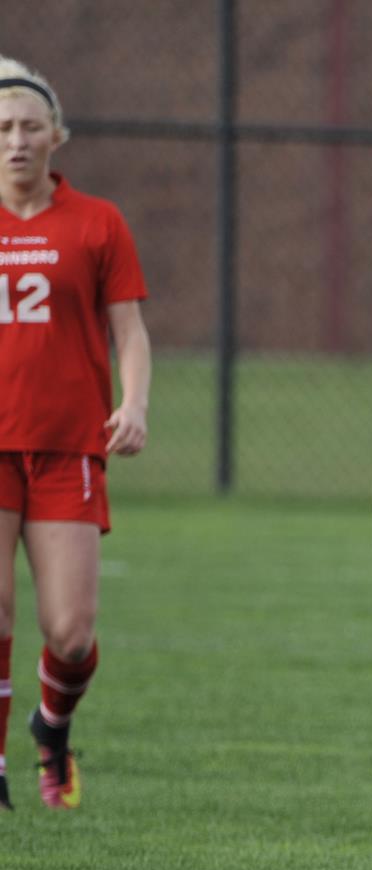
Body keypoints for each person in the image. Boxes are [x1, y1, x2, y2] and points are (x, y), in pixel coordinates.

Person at [0, 59, 152, 812]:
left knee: (68, 631)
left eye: (30, 125)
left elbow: (129, 328)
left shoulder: (97, 222)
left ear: (56, 135)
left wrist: (135, 403)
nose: (16, 140)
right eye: (1, 128)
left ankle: (51, 730)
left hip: (67, 448)